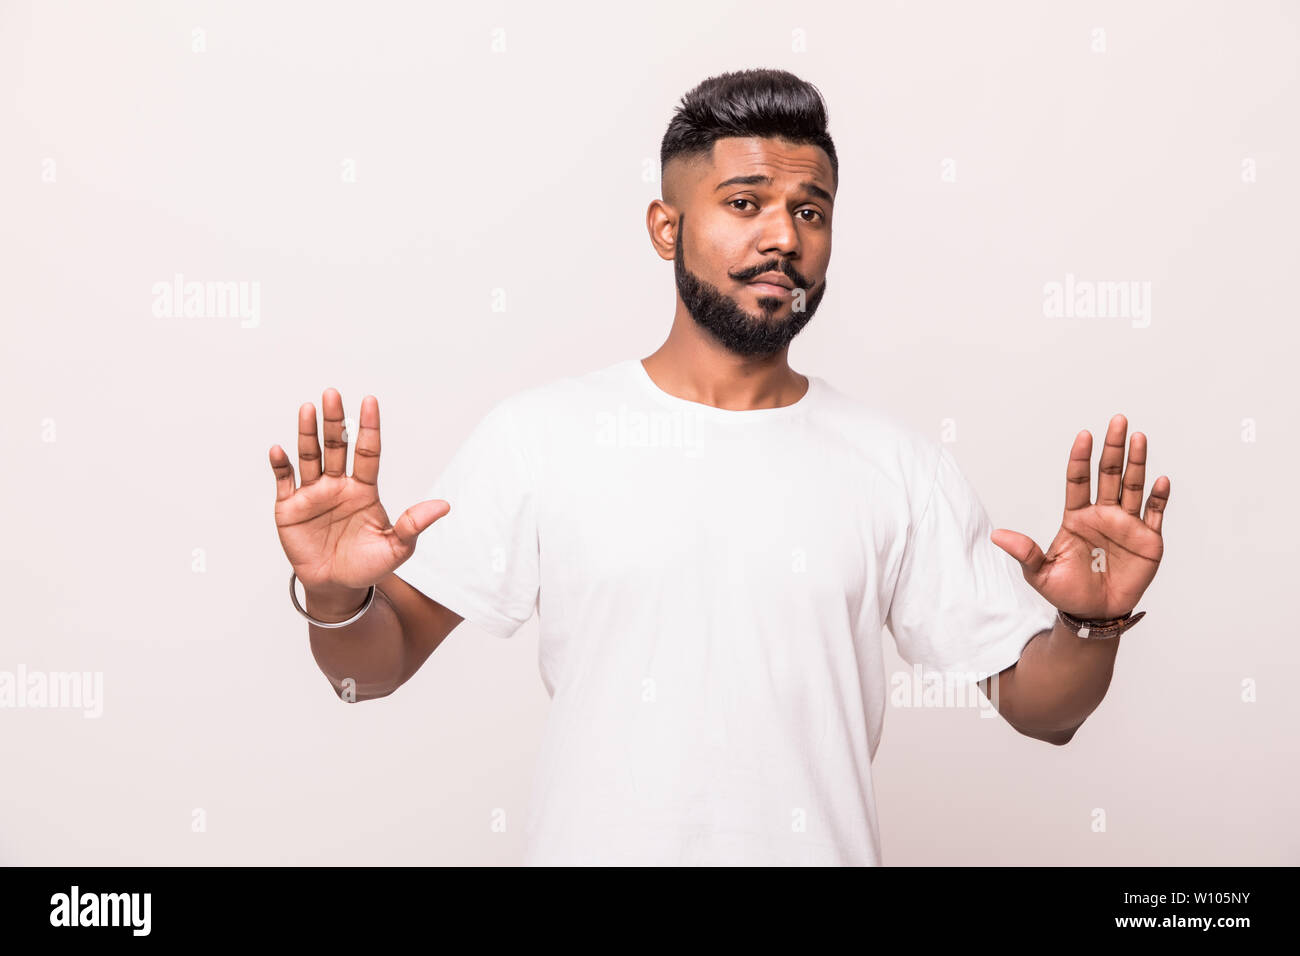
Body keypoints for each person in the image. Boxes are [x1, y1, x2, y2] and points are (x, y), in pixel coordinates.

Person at [268, 68, 1171, 866]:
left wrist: (1089, 626)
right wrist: (339, 596)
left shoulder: (896, 464)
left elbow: (1045, 712)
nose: (783, 237)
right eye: (745, 203)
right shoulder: (542, 436)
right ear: (668, 228)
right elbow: (371, 673)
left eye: (809, 212)